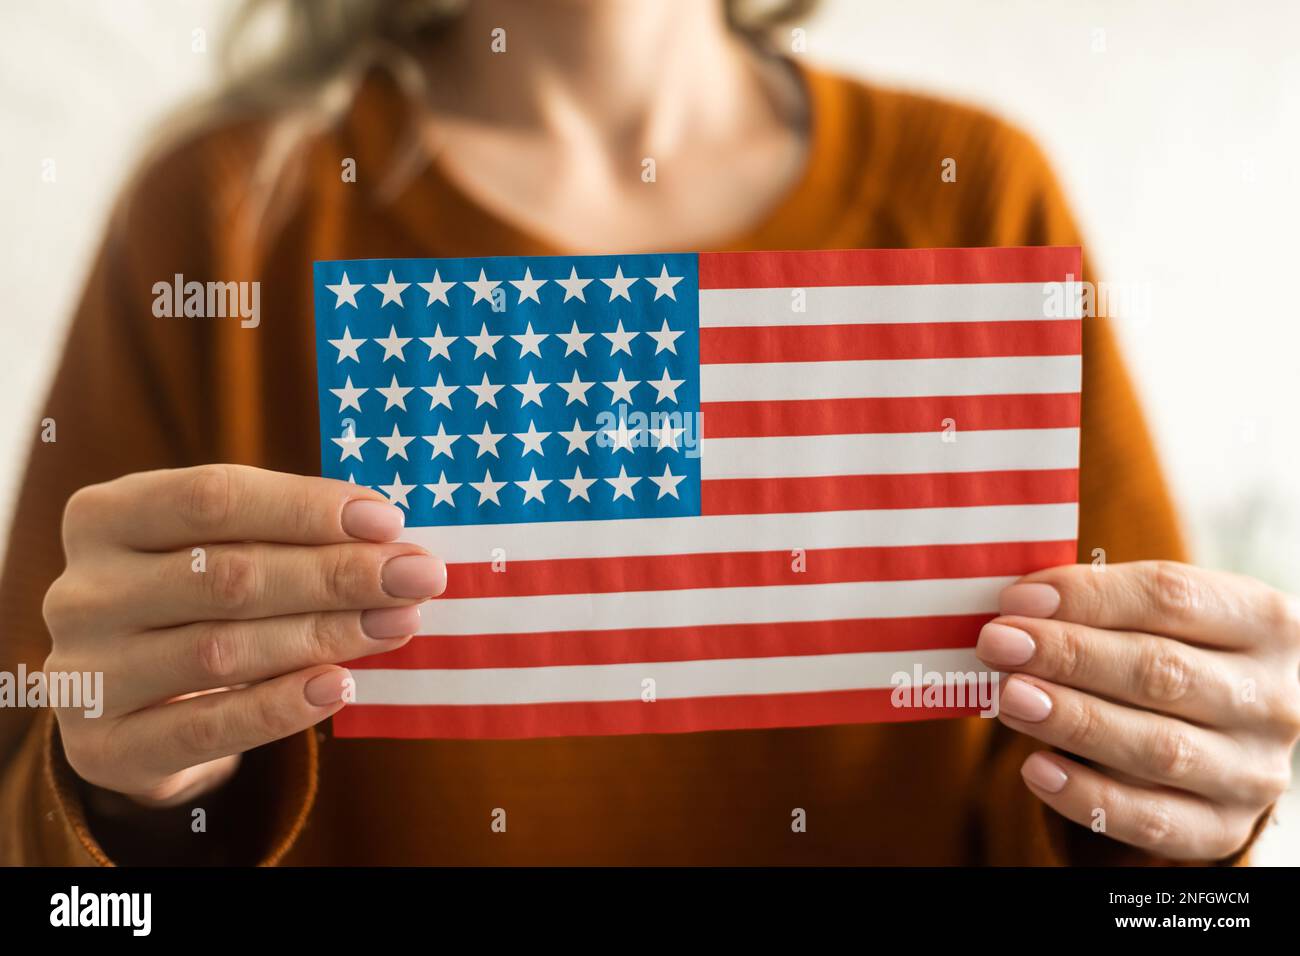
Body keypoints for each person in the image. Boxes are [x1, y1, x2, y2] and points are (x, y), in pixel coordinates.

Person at [1, 0, 1296, 865]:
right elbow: (39, 802)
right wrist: (120, 790)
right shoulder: (220, 221)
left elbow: (1116, 787)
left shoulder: (978, 190)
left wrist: (1181, 810)